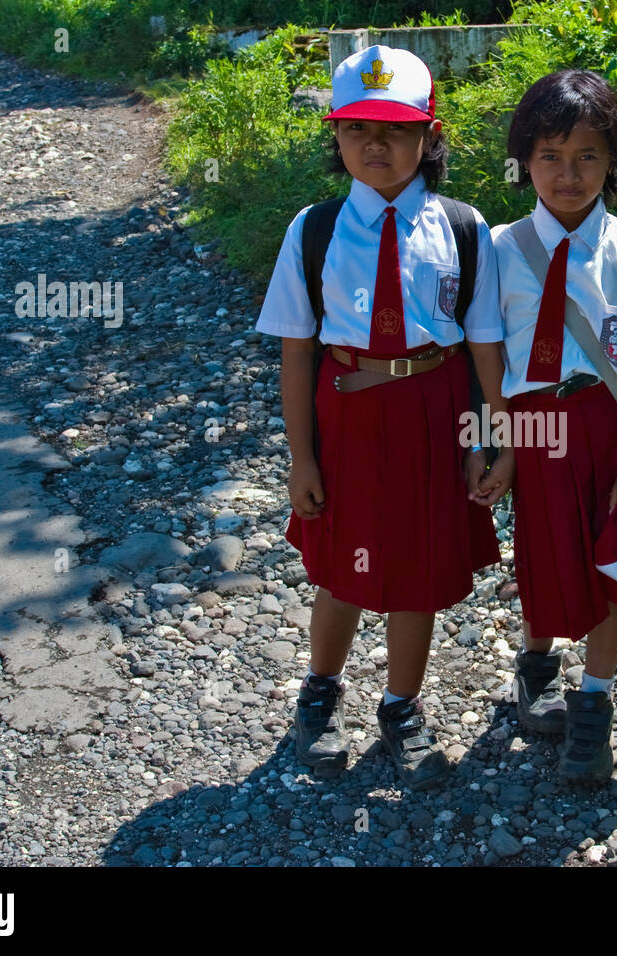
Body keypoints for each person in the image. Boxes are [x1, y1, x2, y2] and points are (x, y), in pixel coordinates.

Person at [254, 45, 504, 790]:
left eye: (397, 130)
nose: (376, 146)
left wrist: (488, 436)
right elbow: (296, 354)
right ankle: (320, 692)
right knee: (346, 565)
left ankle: (401, 706)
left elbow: (484, 342)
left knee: (420, 566)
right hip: (349, 412)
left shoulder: (463, 226)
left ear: (431, 135)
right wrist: (302, 457)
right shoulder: (315, 230)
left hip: (435, 404)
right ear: (334, 137)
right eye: (357, 128)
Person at [475, 69, 617, 784]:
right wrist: (501, 447)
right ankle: (535, 667)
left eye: (587, 157)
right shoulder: (500, 250)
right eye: (550, 157)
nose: (568, 176)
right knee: (539, 552)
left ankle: (593, 708)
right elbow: (489, 355)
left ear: (613, 161)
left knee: (610, 557)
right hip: (536, 426)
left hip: (608, 421)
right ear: (524, 161)